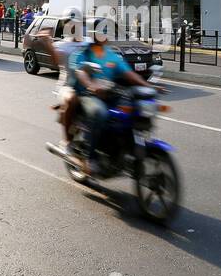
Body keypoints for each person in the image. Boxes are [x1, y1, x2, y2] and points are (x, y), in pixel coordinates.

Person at [67, 23, 158, 173]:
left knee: (133, 110)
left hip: (110, 93)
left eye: (106, 32)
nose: (105, 36)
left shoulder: (110, 54)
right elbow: (81, 71)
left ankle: (127, 150)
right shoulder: (83, 52)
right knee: (99, 113)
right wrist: (91, 85)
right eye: (101, 32)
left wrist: (147, 85)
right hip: (88, 95)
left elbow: (128, 73)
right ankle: (90, 158)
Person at [45, 11, 90, 145]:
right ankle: (67, 141)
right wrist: (48, 44)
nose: (72, 26)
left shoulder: (89, 42)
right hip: (68, 86)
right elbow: (56, 61)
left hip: (90, 84)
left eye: (75, 23)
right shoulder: (61, 45)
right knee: (71, 99)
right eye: (68, 23)